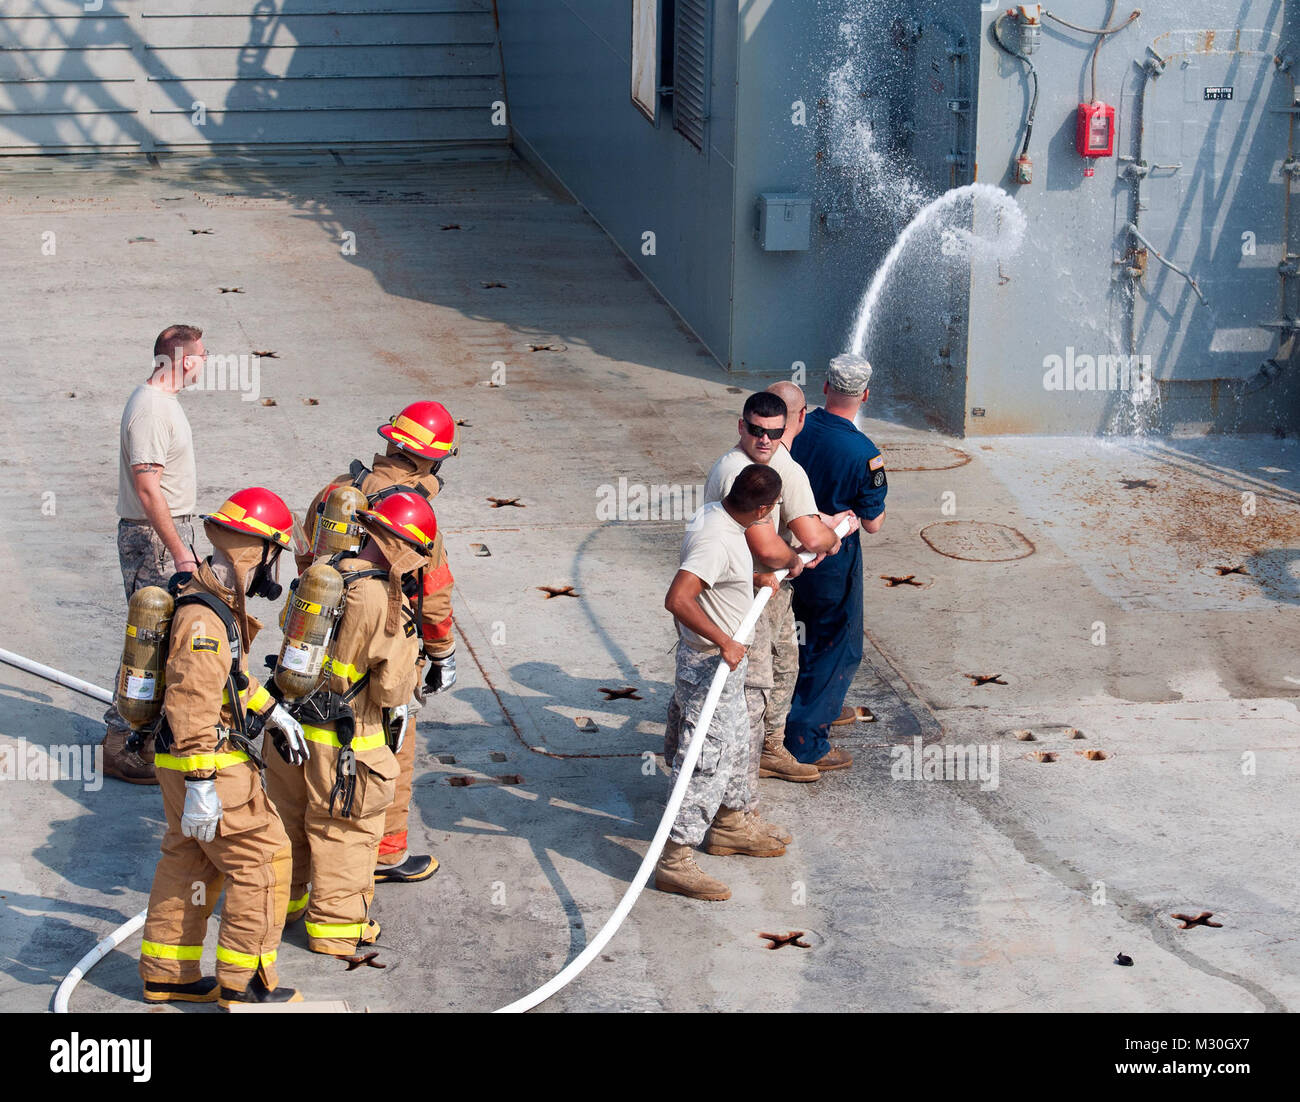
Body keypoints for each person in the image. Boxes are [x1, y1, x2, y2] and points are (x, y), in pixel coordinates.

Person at [139, 487, 310, 1008]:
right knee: (263, 859)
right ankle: (247, 984)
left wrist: (272, 711)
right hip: (205, 758)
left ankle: (168, 973)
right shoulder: (206, 619)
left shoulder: (209, 598)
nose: (271, 570)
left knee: (191, 859)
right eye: (271, 556)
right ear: (254, 552)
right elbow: (192, 701)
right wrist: (201, 786)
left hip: (184, 758)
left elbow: (228, 681)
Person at [298, 401, 458, 884]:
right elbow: (432, 589)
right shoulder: (412, 509)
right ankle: (385, 854)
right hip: (384, 638)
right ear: (430, 459)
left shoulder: (337, 491)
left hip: (320, 638)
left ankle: (310, 833)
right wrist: (441, 653)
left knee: (319, 737)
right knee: (392, 745)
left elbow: (308, 557)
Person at [266, 491, 429, 956]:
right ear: (402, 547)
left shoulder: (323, 577)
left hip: (290, 731)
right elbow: (392, 691)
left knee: (288, 824)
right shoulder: (381, 598)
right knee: (345, 833)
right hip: (349, 742)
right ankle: (336, 929)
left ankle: (282, 908)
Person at [694, 391, 846, 831]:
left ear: (791, 427)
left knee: (783, 669)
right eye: (756, 430)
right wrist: (819, 545)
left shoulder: (779, 465)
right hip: (743, 601)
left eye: (774, 433)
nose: (765, 439)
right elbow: (768, 544)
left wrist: (805, 547)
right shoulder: (739, 473)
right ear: (740, 426)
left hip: (769, 590)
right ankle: (732, 816)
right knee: (748, 697)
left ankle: (770, 750)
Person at [655, 464, 786, 903]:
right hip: (710, 664)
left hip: (724, 666)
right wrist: (725, 640)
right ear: (764, 509)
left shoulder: (719, 515)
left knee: (733, 745)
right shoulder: (718, 537)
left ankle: (729, 825)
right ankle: (675, 860)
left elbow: (717, 576)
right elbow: (678, 598)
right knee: (705, 756)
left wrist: (752, 579)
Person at [105, 324, 206, 784]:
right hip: (154, 536)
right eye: (202, 355)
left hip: (165, 531)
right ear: (184, 359)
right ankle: (120, 742)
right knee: (148, 637)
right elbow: (148, 492)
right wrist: (181, 551)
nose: (204, 363)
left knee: (162, 638)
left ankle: (145, 736)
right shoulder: (149, 411)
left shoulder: (163, 404)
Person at [784, 355, 888, 770]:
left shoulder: (798, 429)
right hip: (829, 559)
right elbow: (873, 523)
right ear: (864, 395)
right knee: (835, 645)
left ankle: (812, 706)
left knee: (798, 636)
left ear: (825, 388)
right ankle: (807, 740)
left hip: (787, 549)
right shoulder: (865, 453)